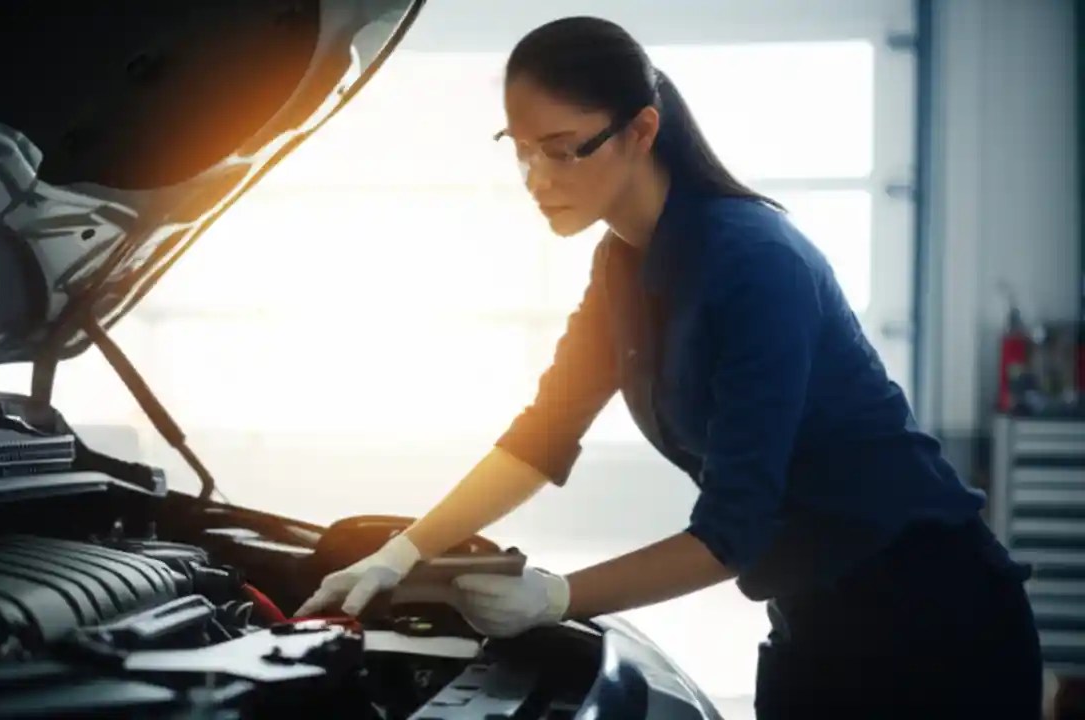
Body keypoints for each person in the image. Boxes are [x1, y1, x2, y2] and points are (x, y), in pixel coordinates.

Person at [296, 16, 1042, 718]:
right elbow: (540, 439)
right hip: (812, 621)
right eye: (519, 147)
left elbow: (730, 534)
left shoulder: (754, 262)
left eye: (562, 148)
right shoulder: (620, 265)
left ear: (642, 130)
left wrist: (557, 597)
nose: (535, 177)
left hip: (936, 625)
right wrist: (399, 553)